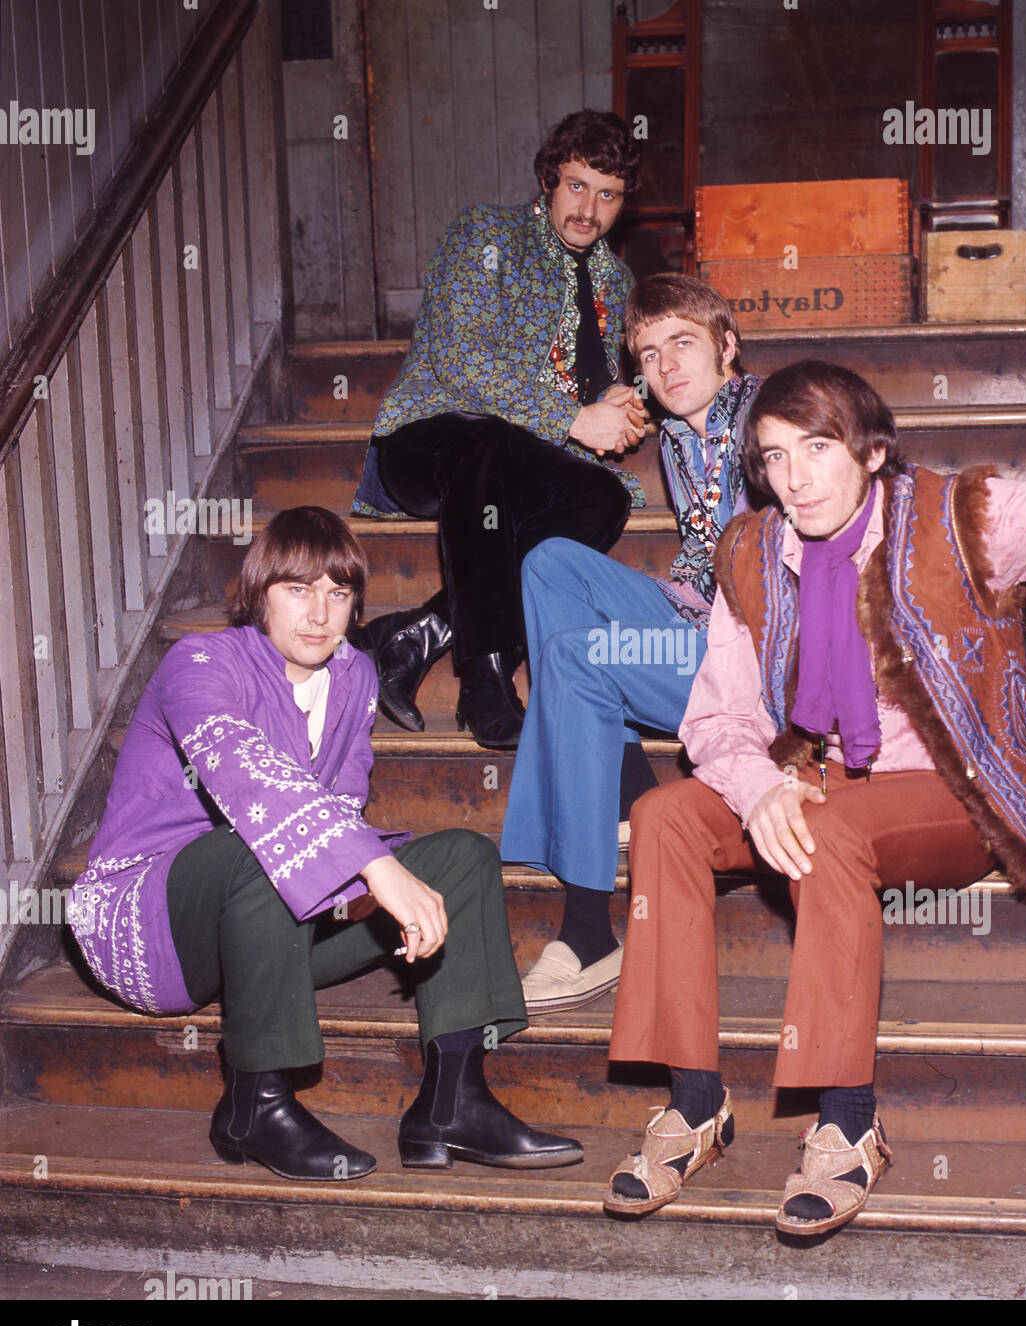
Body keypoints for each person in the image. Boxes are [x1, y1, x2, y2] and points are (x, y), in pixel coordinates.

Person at [603, 360, 1026, 1234]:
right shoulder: (750, 552)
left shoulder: (960, 518)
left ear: (872, 451)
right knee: (663, 814)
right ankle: (696, 1103)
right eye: (774, 457)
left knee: (832, 834)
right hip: (812, 778)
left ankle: (850, 1123)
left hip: (948, 789)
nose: (795, 477)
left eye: (818, 448)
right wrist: (763, 785)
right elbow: (717, 717)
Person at [69, 507, 582, 1180]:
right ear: (259, 592)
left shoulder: (354, 676)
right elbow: (244, 771)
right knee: (258, 848)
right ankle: (255, 1105)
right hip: (151, 921)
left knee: (462, 856)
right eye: (298, 590)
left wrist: (378, 876)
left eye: (338, 593)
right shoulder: (199, 661)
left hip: (266, 934)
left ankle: (452, 1103)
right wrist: (374, 865)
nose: (319, 614)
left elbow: (341, 804)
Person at [499, 275, 759, 1014]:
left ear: (727, 347)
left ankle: (589, 931)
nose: (666, 366)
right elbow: (703, 556)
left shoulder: (766, 420)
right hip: (699, 624)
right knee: (550, 562)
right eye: (648, 354)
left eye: (683, 342)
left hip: (754, 662)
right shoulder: (678, 437)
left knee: (574, 659)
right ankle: (628, 789)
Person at [351, 109, 649, 749]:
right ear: (548, 179)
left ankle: (416, 633)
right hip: (432, 440)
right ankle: (485, 678)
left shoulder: (617, 281)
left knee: (603, 496)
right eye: (577, 186)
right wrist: (575, 417)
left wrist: (616, 401)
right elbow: (460, 359)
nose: (588, 211)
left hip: (525, 459)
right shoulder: (487, 233)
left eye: (608, 195)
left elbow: (590, 387)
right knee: (486, 439)